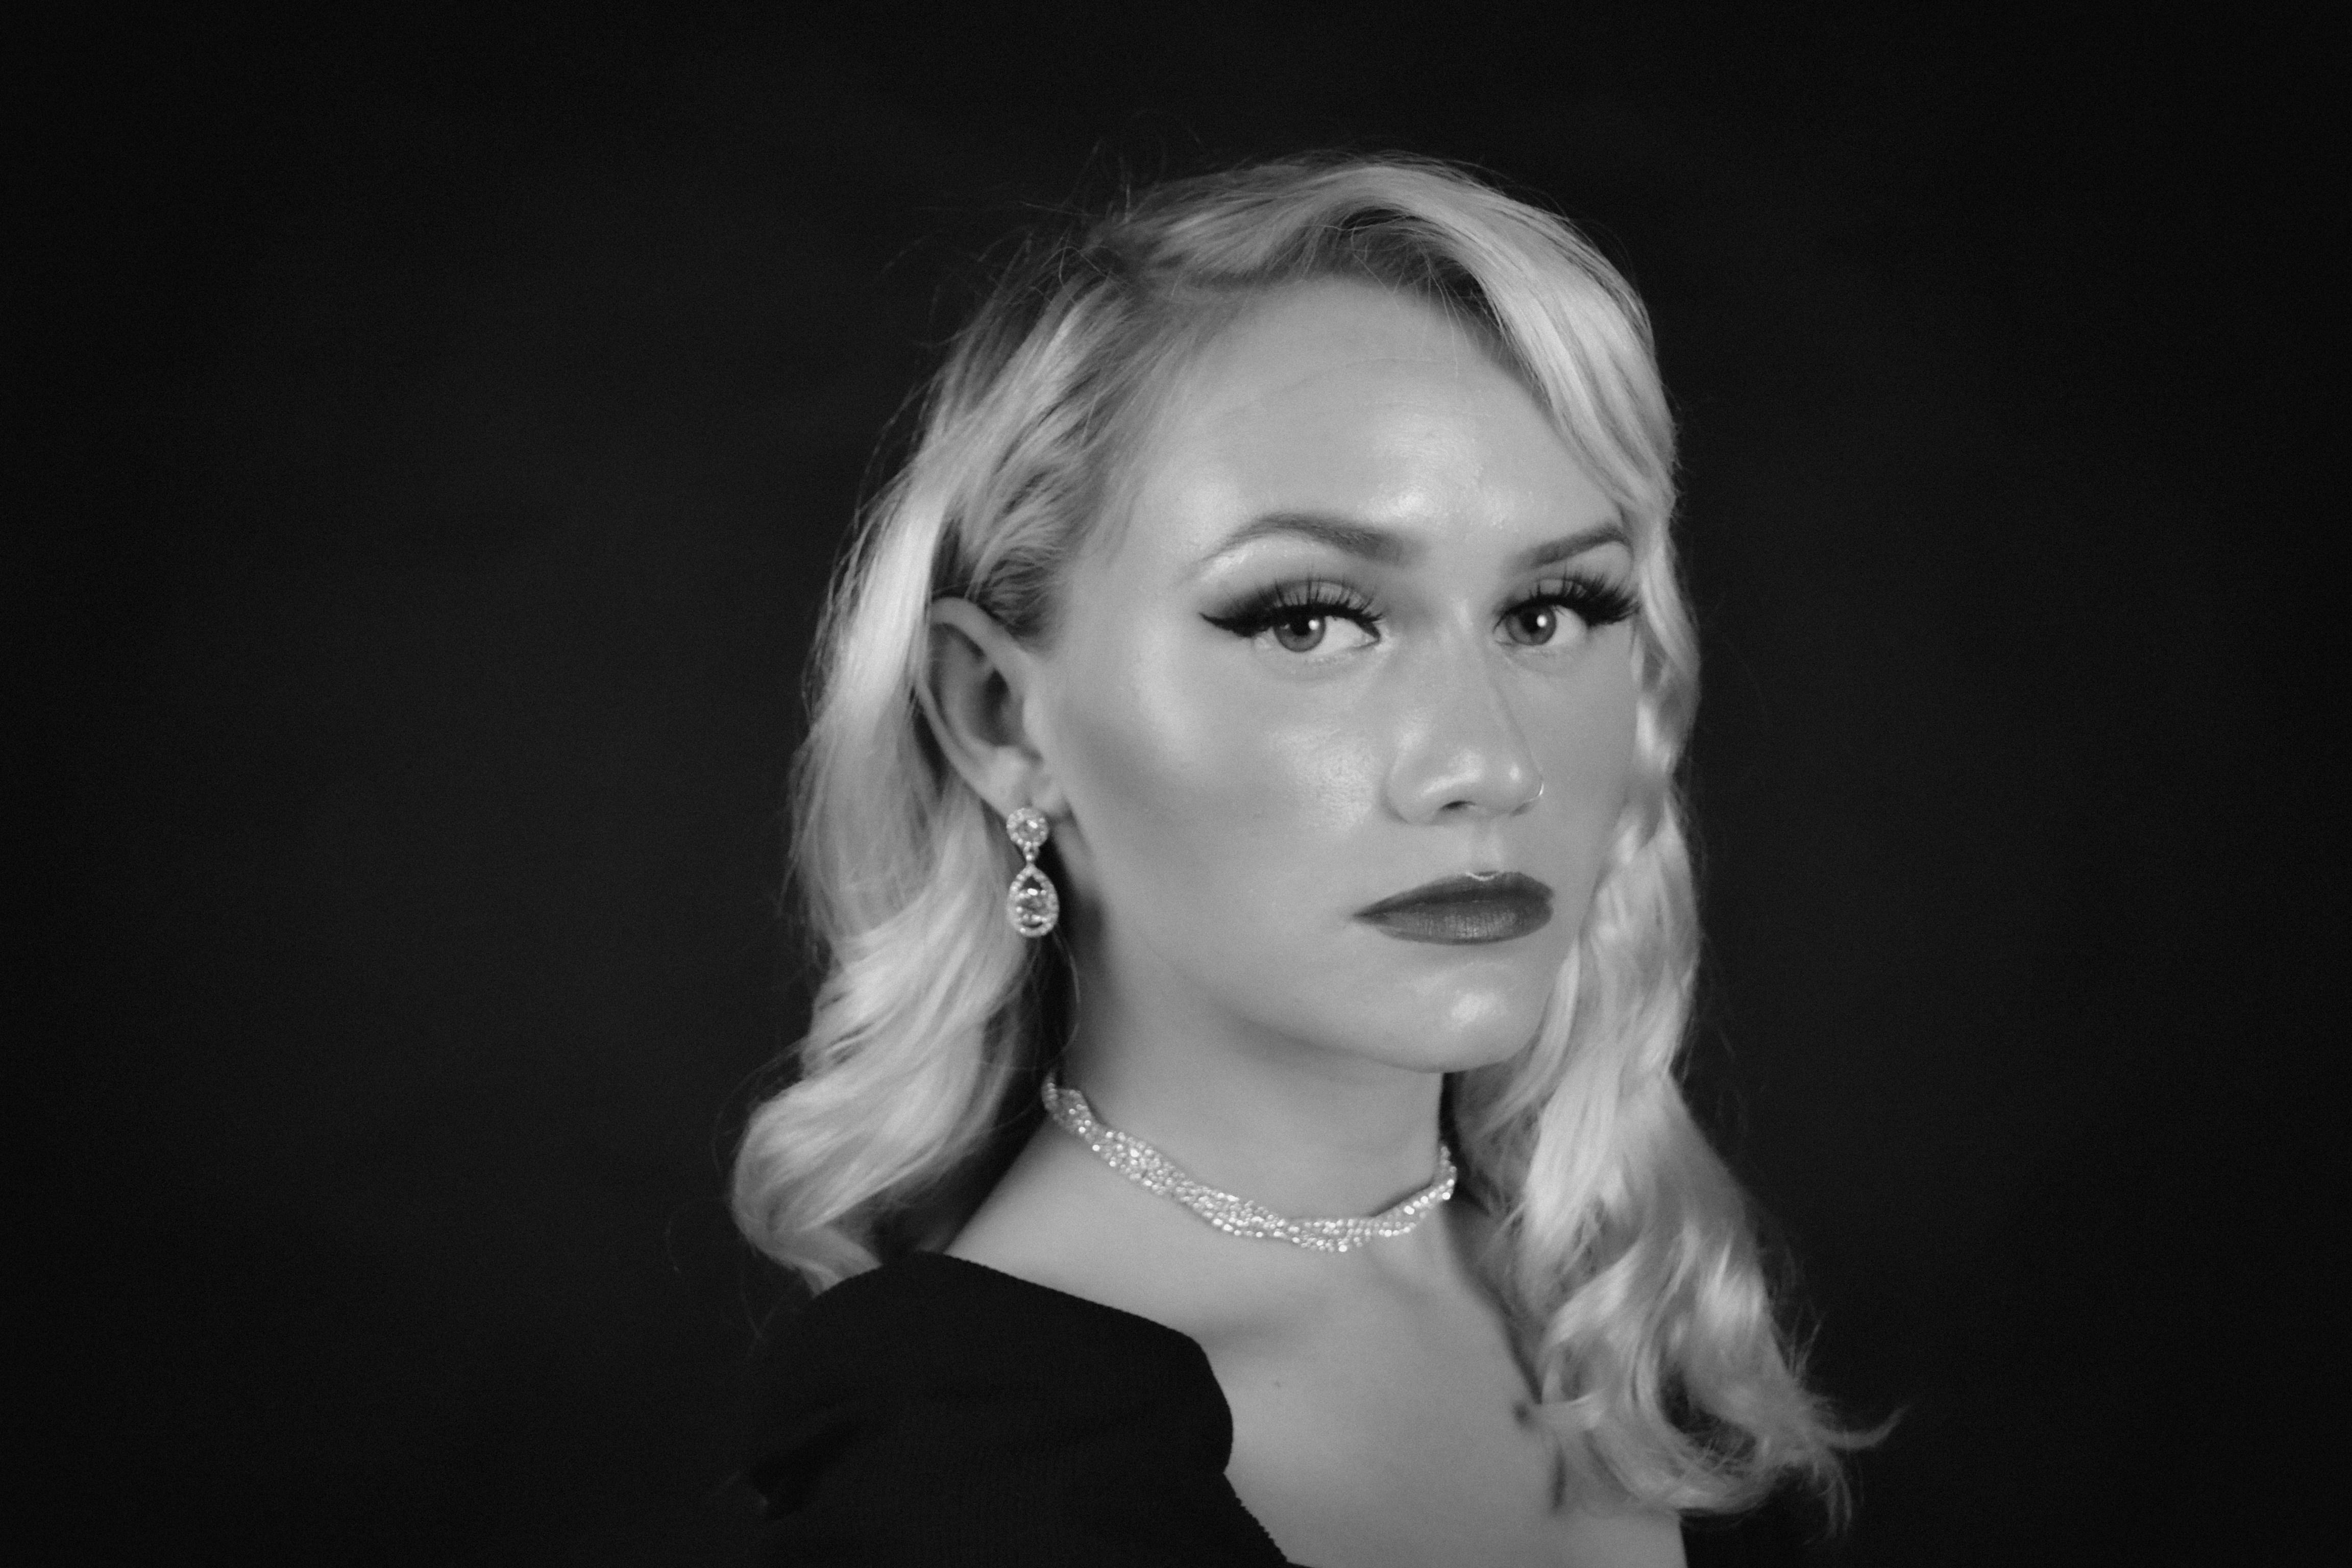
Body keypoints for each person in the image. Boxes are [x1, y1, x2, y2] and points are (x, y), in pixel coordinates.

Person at [733, 154, 1861, 1565]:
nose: (1487, 763)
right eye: (1310, 621)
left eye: (1553, 608)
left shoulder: (1641, 1315)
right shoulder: (971, 1488)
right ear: (1000, 716)